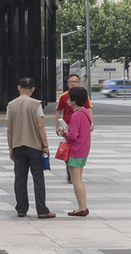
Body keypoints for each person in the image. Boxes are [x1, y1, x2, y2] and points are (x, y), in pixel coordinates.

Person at [6, 78, 56, 219]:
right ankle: (42, 210)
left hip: (17, 146)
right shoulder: (36, 104)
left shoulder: (11, 105)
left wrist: (10, 147)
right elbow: (40, 126)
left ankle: (21, 209)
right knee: (38, 178)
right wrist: (45, 145)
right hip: (34, 146)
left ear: (18, 88)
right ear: (33, 89)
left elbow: (9, 129)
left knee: (20, 178)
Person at [62, 85, 93, 216]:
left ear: (74, 100)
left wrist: (65, 132)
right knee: (79, 179)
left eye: (69, 98)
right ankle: (83, 205)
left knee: (76, 181)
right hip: (84, 149)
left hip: (75, 150)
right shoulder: (85, 111)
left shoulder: (75, 115)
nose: (68, 101)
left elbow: (73, 136)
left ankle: (81, 207)